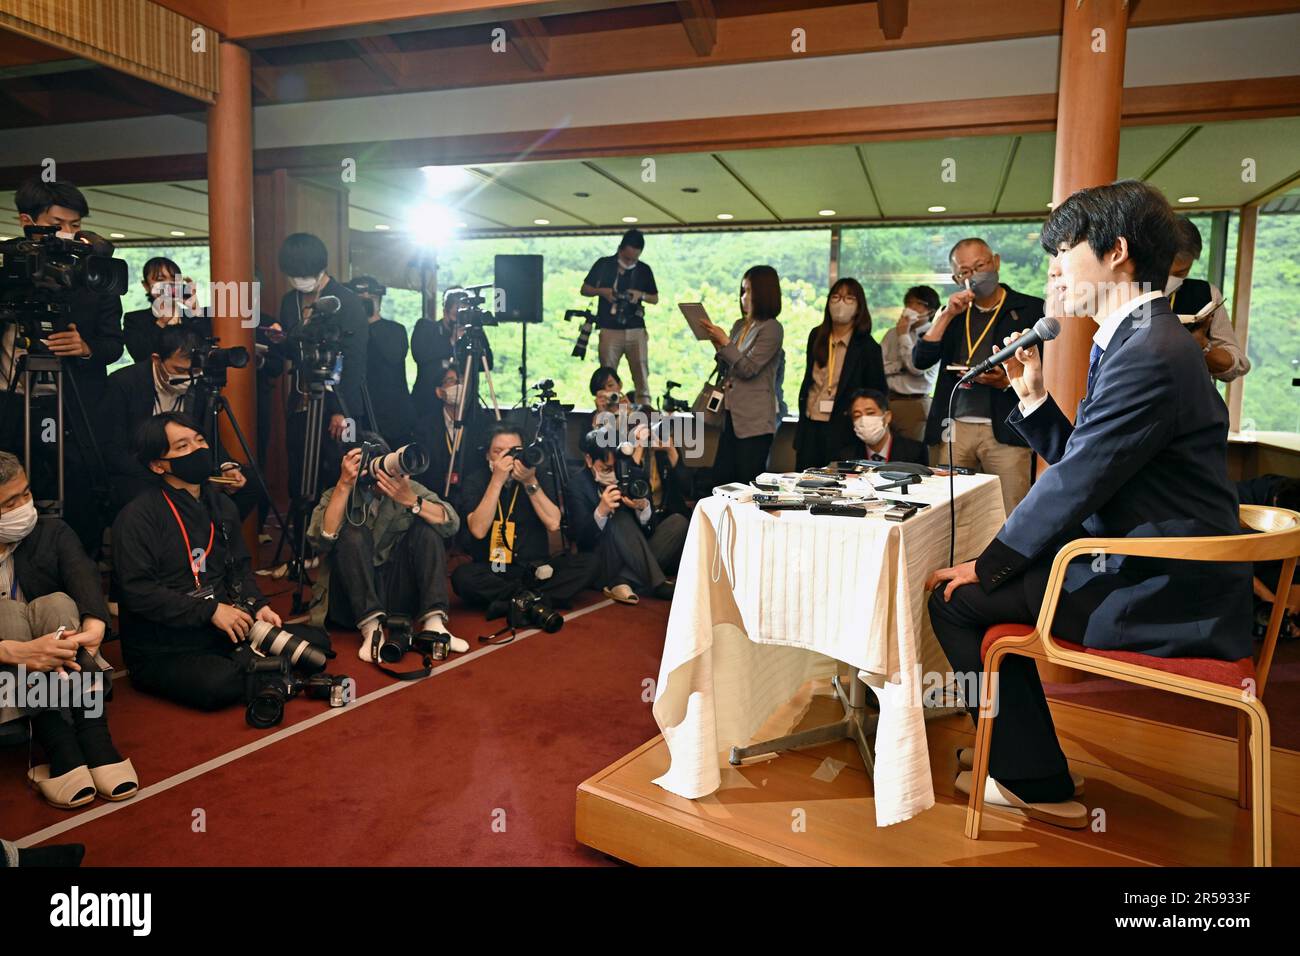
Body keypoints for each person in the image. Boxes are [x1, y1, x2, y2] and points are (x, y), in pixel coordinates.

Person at [925, 180, 1252, 827]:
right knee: (983, 587)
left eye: (1064, 251)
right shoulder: (1143, 339)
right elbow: (1095, 466)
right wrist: (1037, 403)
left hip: (1164, 589)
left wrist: (989, 566)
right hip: (1154, 567)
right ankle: (1022, 755)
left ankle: (1031, 777)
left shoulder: (1150, 352)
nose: (1052, 270)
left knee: (953, 600)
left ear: (1117, 253)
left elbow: (1076, 483)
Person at [113, 412, 332, 711]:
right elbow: (138, 592)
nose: (198, 450)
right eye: (182, 446)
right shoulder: (138, 516)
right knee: (217, 684)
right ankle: (262, 668)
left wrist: (258, 604)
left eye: (199, 441)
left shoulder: (221, 504)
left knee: (317, 643)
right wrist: (210, 610)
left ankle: (259, 668)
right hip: (166, 645)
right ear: (157, 464)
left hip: (220, 627)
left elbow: (239, 567)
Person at [0, 452, 136, 808]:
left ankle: (92, 738)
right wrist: (14, 652)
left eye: (26, 494)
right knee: (6, 613)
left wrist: (92, 625)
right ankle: (59, 743)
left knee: (59, 602)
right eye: (9, 503)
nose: (23, 507)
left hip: (62, 655)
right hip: (6, 668)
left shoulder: (50, 530)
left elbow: (84, 576)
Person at [2, 179, 124, 556]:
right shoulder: (8, 270)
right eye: (59, 223)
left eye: (75, 225)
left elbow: (113, 344)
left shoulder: (92, 273)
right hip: (10, 404)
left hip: (74, 408)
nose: (69, 233)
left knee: (79, 499)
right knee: (14, 497)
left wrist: (85, 347)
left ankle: (81, 587)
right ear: (27, 220)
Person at [912, 238, 1044, 515]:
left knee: (1011, 509)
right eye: (965, 271)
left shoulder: (1030, 308)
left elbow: (1047, 369)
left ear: (995, 262)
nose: (975, 275)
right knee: (948, 512)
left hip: (1007, 427)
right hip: (954, 426)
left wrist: (1007, 381)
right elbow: (920, 359)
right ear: (956, 278)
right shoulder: (954, 313)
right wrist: (946, 315)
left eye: (980, 265)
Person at [307, 440, 463, 661]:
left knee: (426, 532)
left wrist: (412, 501)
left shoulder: (407, 488)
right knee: (352, 533)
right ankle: (371, 629)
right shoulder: (337, 493)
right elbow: (319, 541)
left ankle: (434, 624)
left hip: (394, 594)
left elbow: (451, 524)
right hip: (350, 600)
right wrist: (344, 485)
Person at [101, 324, 251, 516]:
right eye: (179, 370)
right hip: (141, 468)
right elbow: (113, 449)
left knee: (249, 484)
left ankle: (215, 540)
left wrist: (227, 466)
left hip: (188, 464)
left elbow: (207, 434)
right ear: (157, 360)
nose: (187, 378)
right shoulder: (124, 383)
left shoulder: (201, 385)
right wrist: (161, 477)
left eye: (194, 371)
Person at [451, 423, 597, 618]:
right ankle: (536, 601)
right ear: (487, 455)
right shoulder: (476, 481)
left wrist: (530, 482)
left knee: (590, 562)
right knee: (463, 577)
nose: (507, 457)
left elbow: (553, 523)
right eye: (498, 451)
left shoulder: (537, 476)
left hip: (536, 569)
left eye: (514, 451)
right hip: (495, 569)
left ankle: (512, 602)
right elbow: (478, 530)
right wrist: (496, 481)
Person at [277, 233, 369, 498]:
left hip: (341, 406)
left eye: (305, 273)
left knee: (338, 477)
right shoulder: (289, 301)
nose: (300, 280)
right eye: (294, 274)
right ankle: (301, 535)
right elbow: (294, 352)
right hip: (301, 403)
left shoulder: (347, 302)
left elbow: (355, 362)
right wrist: (279, 340)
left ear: (321, 268)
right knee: (300, 479)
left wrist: (342, 411)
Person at [565, 428, 686, 605]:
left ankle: (624, 580)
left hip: (636, 553)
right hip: (604, 558)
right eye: (605, 468)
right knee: (620, 518)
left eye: (615, 468)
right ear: (589, 460)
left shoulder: (633, 474)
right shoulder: (576, 485)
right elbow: (582, 540)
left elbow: (650, 528)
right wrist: (601, 511)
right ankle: (658, 584)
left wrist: (642, 509)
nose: (612, 474)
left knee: (678, 522)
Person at [697, 265, 785, 486]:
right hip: (731, 416)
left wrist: (725, 342)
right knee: (722, 480)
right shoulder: (740, 325)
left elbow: (748, 368)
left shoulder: (772, 328)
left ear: (764, 293)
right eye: (742, 291)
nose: (744, 297)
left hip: (755, 420)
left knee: (747, 481)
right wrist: (717, 343)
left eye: (749, 291)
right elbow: (728, 364)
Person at [793, 278, 886, 470]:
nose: (841, 302)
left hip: (843, 429)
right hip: (810, 422)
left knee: (837, 485)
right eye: (836, 297)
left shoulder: (868, 347)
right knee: (805, 480)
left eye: (848, 298)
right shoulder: (816, 335)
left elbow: (876, 390)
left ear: (859, 307)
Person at [1167, 217, 1250, 383]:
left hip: (1189, 401)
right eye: (1162, 271)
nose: (1168, 280)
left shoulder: (1206, 294)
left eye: (1180, 273)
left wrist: (1202, 345)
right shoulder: (1127, 290)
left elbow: (1238, 365)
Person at [581, 229, 659, 402]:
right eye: (627, 258)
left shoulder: (644, 270)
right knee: (607, 375)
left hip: (635, 328)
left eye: (634, 259)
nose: (630, 262)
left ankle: (644, 410)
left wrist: (640, 295)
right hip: (609, 327)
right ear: (620, 249)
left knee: (641, 372)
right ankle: (607, 410)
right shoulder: (604, 265)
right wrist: (603, 292)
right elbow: (585, 289)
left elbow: (655, 298)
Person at [348, 275, 414, 448]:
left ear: (379, 301)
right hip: (357, 416)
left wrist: (371, 318)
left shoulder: (395, 330)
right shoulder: (347, 334)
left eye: (370, 300)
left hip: (393, 418)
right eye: (359, 301)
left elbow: (394, 355)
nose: (364, 304)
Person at [411, 288, 494, 418]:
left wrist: (477, 332)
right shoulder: (427, 328)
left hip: (465, 407)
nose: (461, 320)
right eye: (457, 315)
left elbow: (487, 364)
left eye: (465, 316)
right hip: (429, 406)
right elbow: (421, 355)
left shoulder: (472, 333)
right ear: (445, 312)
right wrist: (452, 341)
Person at [879, 285, 941, 442]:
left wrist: (903, 335)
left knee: (911, 453)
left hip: (915, 403)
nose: (911, 308)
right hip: (887, 401)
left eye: (918, 304)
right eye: (909, 303)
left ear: (931, 311)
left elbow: (916, 367)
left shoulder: (933, 335)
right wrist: (899, 367)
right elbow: (878, 366)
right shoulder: (891, 333)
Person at [121, 257, 210, 364]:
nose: (169, 284)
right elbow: (141, 355)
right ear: (146, 286)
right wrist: (161, 322)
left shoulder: (199, 315)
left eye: (174, 279)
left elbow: (210, 349)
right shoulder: (135, 320)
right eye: (160, 279)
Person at [835, 389, 928, 465]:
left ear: (887, 417)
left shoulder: (914, 452)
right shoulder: (846, 456)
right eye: (857, 415)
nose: (864, 420)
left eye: (870, 413)